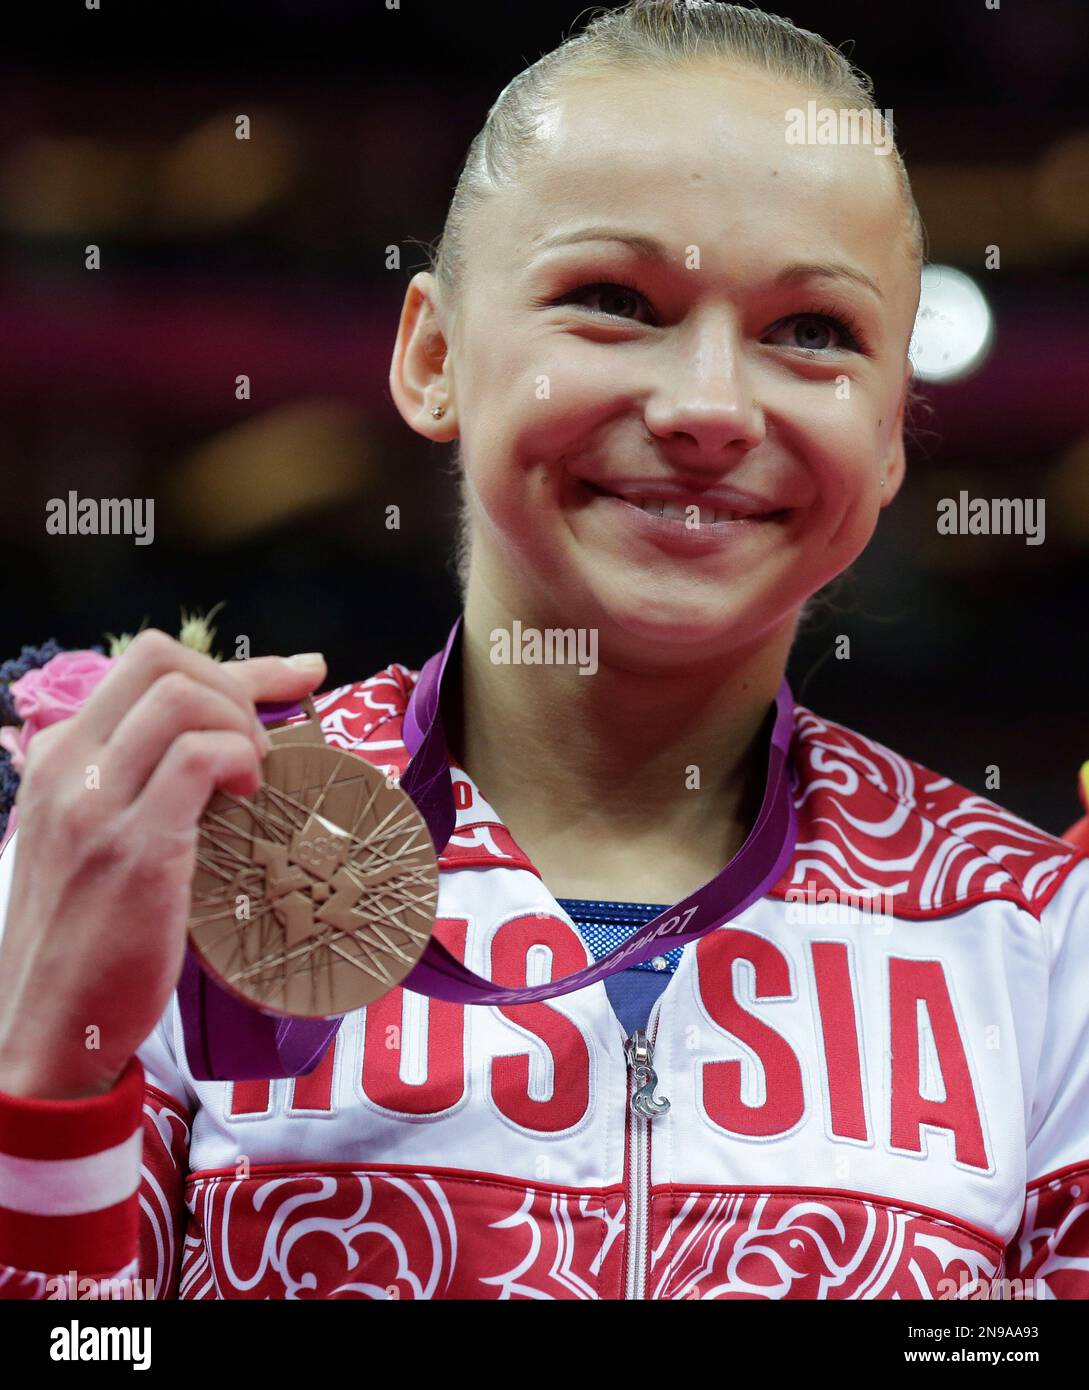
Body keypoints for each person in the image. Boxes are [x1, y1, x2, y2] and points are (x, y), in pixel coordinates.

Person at [0, 0, 1086, 1301]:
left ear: (894, 436)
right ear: (434, 355)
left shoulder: (1035, 937)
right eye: (613, 300)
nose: (705, 409)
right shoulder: (165, 851)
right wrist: (47, 1084)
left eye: (813, 332)